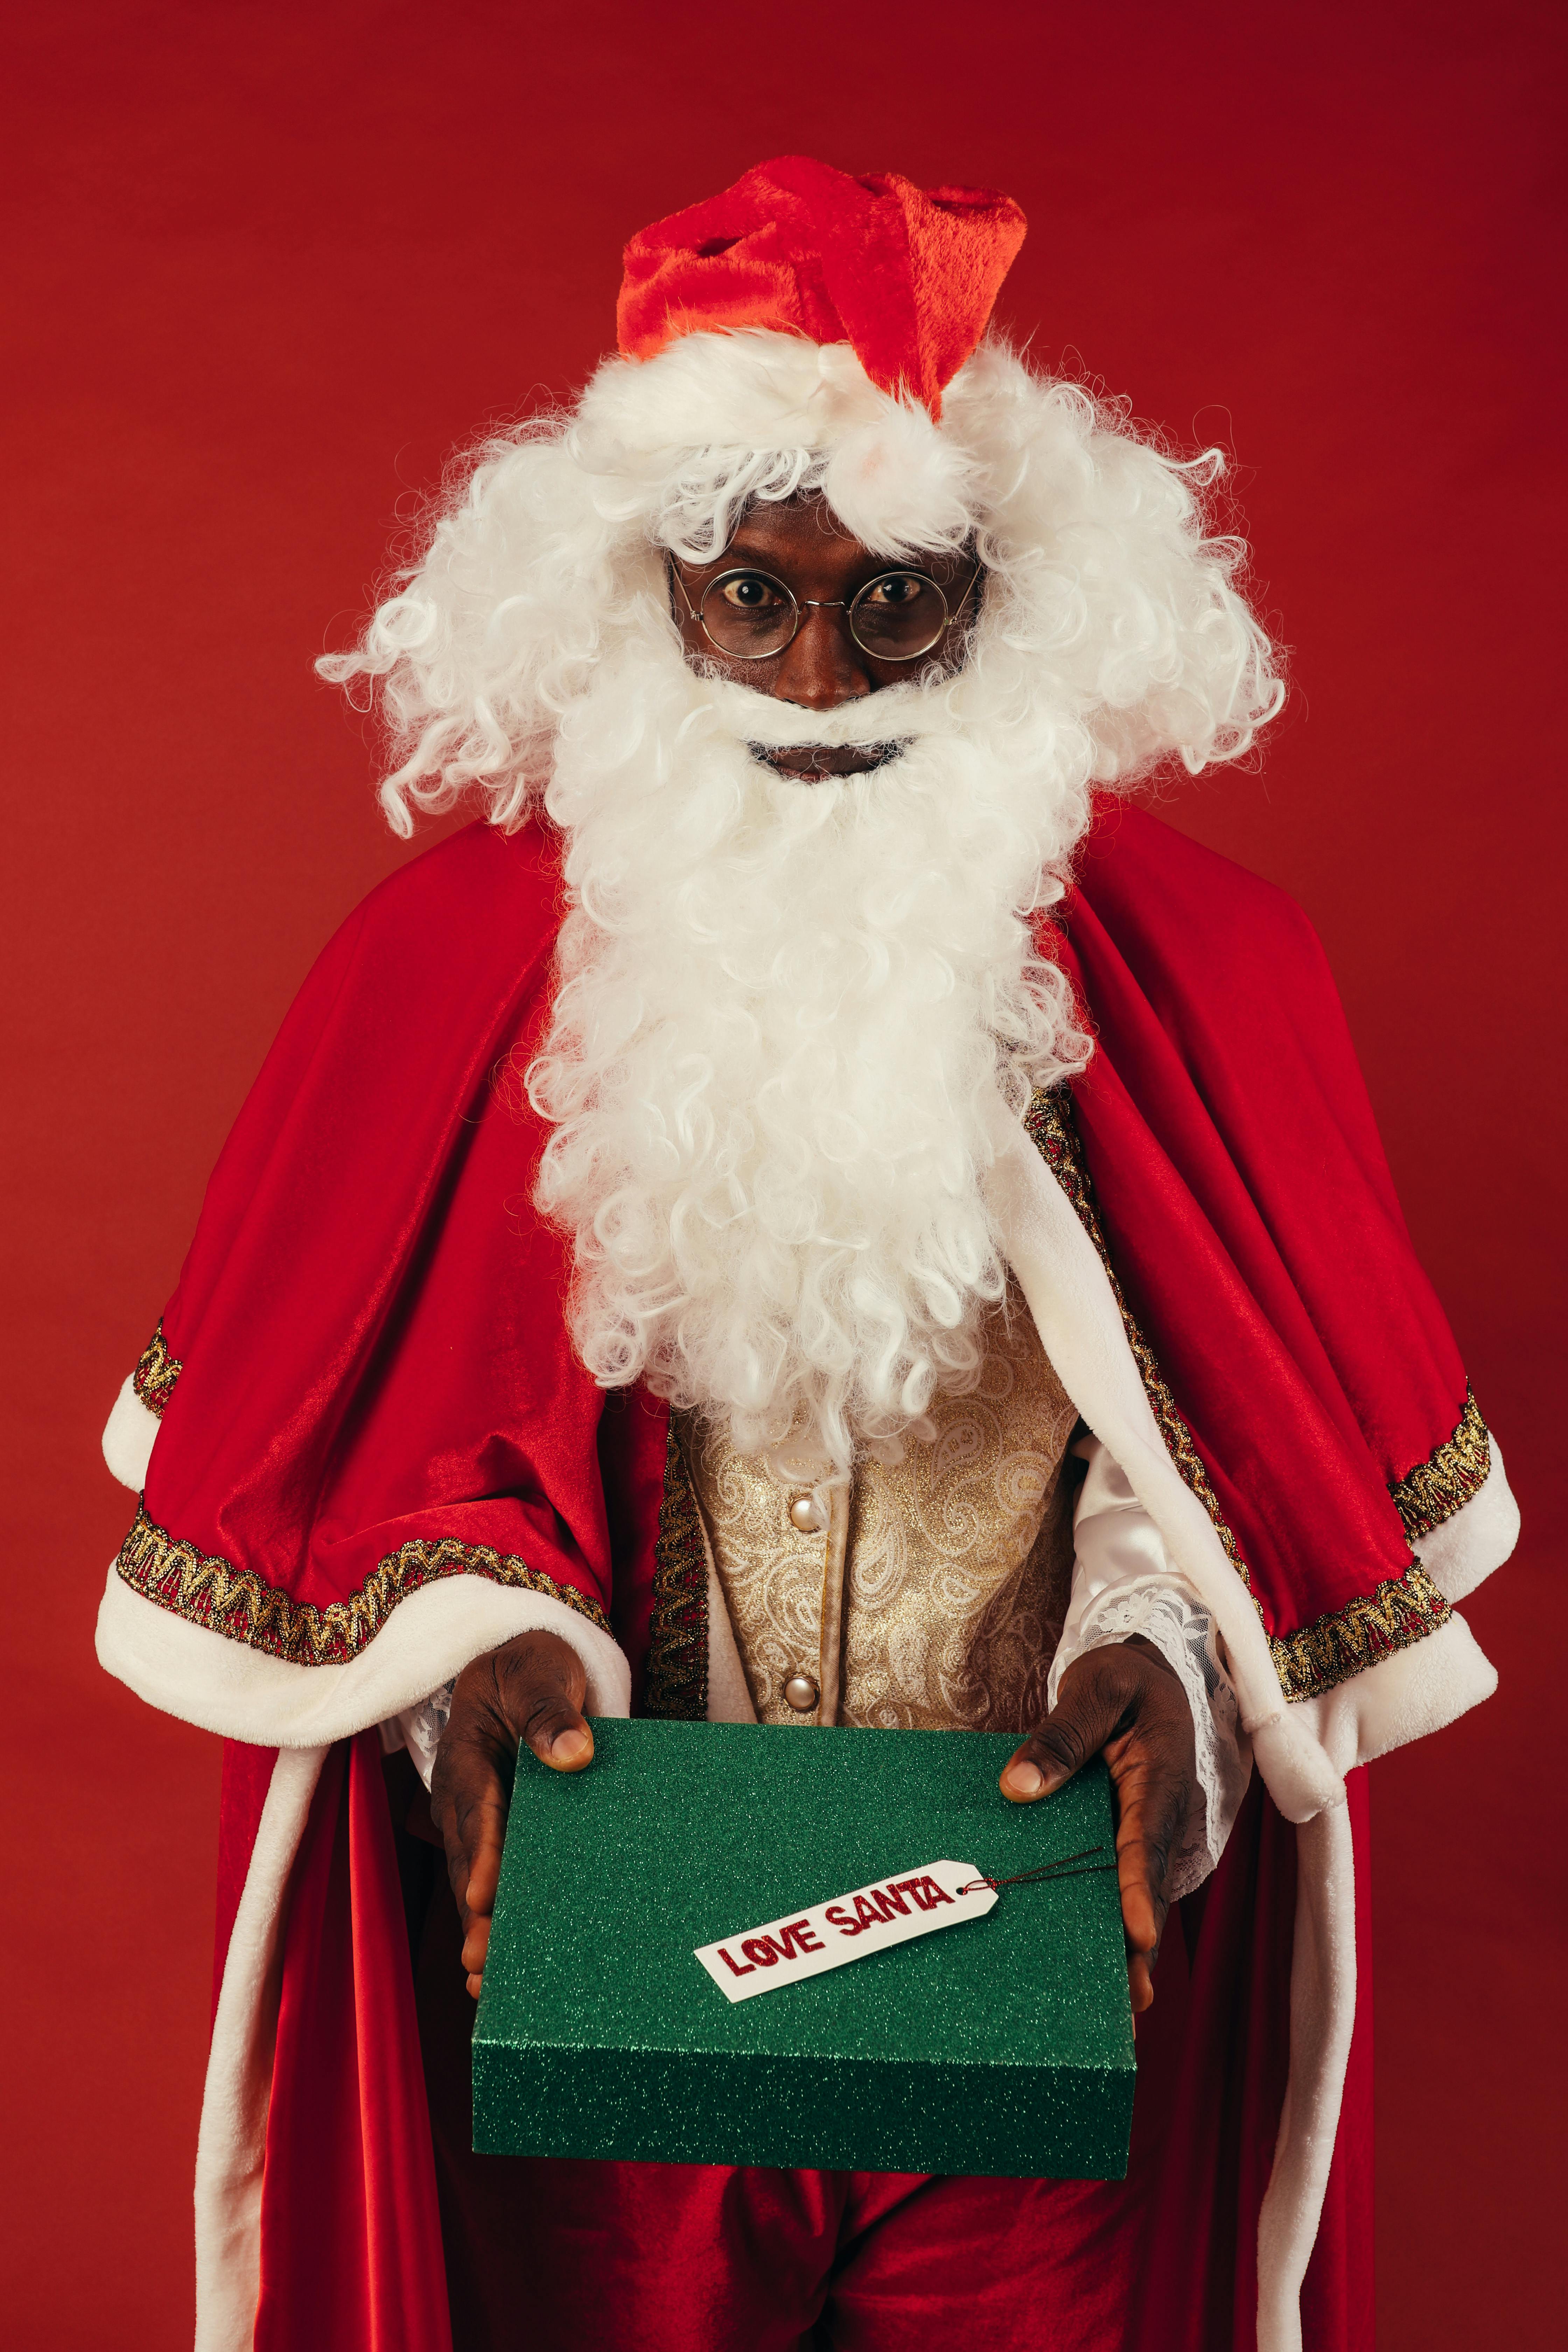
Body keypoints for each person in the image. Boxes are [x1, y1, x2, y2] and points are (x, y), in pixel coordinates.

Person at [97, 157, 1517, 2352]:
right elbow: (416, 1437)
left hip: (1037, 1950)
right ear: (647, 591)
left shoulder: (1201, 977)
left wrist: (1160, 1654)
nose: (821, 673)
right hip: (612, 1963)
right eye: (751, 599)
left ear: (1003, 597)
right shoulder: (451, 972)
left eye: (897, 605)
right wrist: (486, 1653)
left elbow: (1206, 1435)